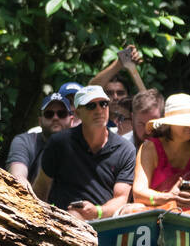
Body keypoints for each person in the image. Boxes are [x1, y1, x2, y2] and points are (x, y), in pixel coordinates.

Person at [32, 86, 136, 221]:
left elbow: (121, 199)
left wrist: (97, 212)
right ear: (78, 113)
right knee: (74, 216)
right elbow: (41, 188)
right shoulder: (59, 143)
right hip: (65, 223)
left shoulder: (125, 149)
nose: (99, 110)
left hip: (108, 224)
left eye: (103, 104)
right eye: (91, 106)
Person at [129, 93, 190, 221]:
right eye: (185, 121)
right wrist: (169, 197)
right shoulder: (149, 148)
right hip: (159, 214)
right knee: (132, 209)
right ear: (170, 124)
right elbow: (138, 193)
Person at [6, 92, 71, 186]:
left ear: (72, 120)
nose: (55, 118)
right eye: (49, 114)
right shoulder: (24, 141)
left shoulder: (81, 144)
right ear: (40, 121)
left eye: (62, 114)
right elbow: (18, 177)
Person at [92, 46, 145, 136]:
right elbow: (91, 89)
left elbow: (149, 103)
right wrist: (120, 63)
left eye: (120, 93)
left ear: (128, 95)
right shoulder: (95, 122)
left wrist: (130, 66)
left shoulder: (138, 123)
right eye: (109, 93)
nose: (115, 97)